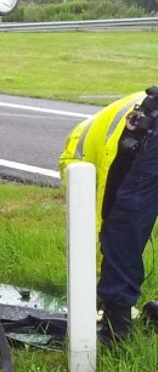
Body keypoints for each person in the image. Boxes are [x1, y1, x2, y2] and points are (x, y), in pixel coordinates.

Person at [60, 89, 158, 342]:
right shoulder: (110, 123)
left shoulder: (79, 158)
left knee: (124, 223)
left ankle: (117, 326)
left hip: (152, 135)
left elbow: (113, 221)